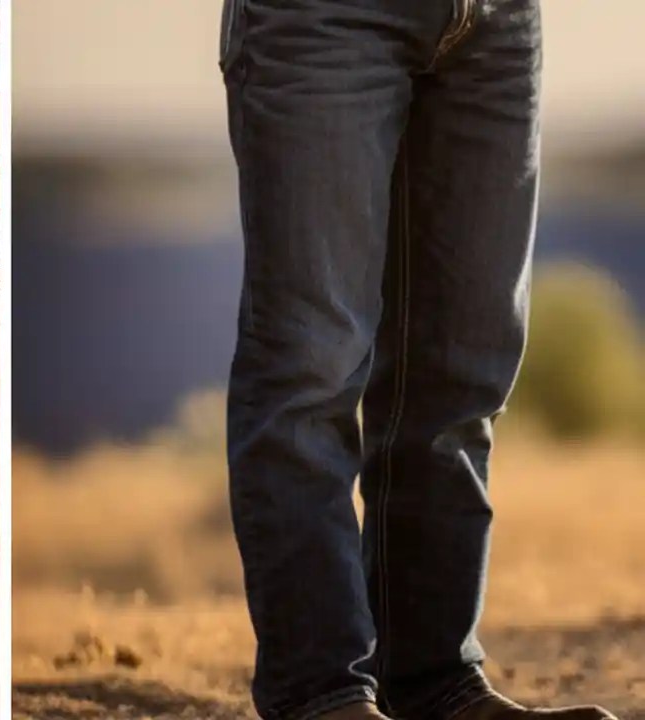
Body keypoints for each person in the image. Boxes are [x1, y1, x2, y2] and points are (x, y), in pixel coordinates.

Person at [219, 2, 615, 718]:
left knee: (462, 373)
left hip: (498, 22)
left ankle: (435, 681)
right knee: (310, 367)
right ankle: (322, 693)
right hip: (324, 19)